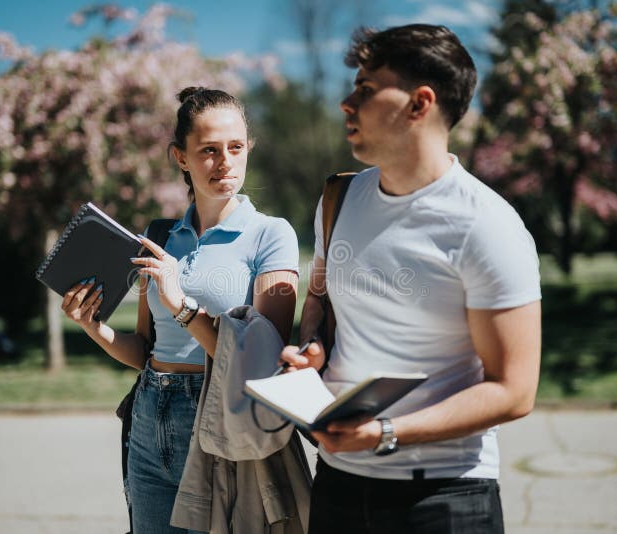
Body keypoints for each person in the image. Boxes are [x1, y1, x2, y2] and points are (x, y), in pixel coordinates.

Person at [279, 24, 541, 533]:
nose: (346, 103)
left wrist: (384, 433)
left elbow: (514, 390)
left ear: (420, 104)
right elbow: (319, 302)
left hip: (445, 497)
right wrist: (311, 347)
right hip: (336, 482)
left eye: (367, 89)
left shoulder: (486, 225)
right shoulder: (339, 198)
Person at [61, 87, 299, 534]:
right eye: (208, 150)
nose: (225, 162)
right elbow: (145, 350)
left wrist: (184, 306)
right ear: (181, 158)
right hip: (150, 412)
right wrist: (92, 326)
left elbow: (263, 360)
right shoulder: (159, 233)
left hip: (217, 417)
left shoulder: (272, 235)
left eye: (235, 147)